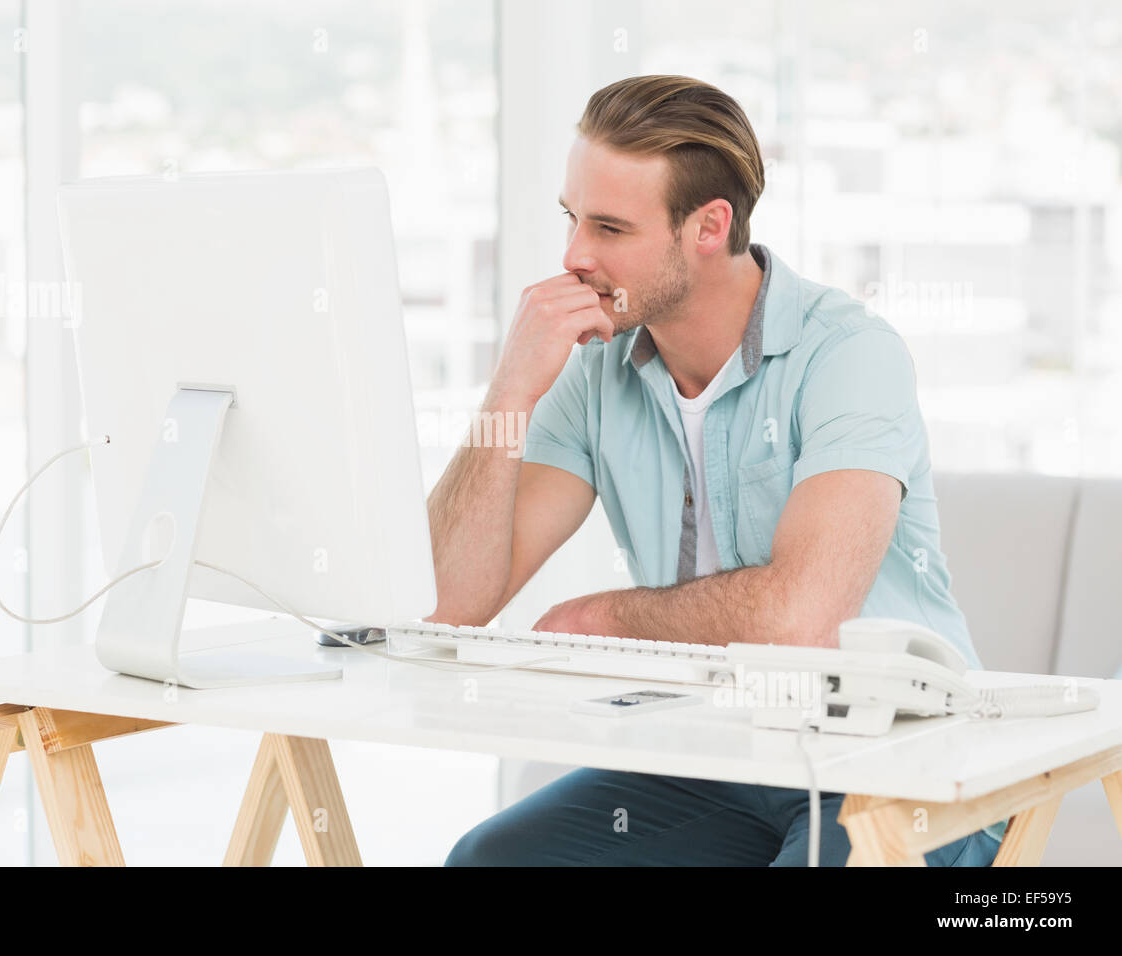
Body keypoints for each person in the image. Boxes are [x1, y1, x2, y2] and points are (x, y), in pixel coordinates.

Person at [427, 74, 1004, 866]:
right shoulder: (598, 375)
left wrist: (605, 620)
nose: (574, 256)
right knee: (492, 861)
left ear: (709, 226)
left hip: (899, 758)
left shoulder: (848, 356)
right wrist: (510, 391)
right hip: (716, 760)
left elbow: (803, 623)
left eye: (609, 227)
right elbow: (446, 604)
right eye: (570, 218)